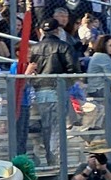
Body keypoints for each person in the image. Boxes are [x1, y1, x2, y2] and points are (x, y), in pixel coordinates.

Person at [27, 17, 78, 164]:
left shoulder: (34, 48)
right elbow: (73, 69)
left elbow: (32, 68)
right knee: (56, 127)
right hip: (58, 89)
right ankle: (55, 160)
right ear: (57, 30)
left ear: (43, 31)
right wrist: (68, 84)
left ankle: (51, 157)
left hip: (40, 90)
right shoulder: (64, 46)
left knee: (47, 126)